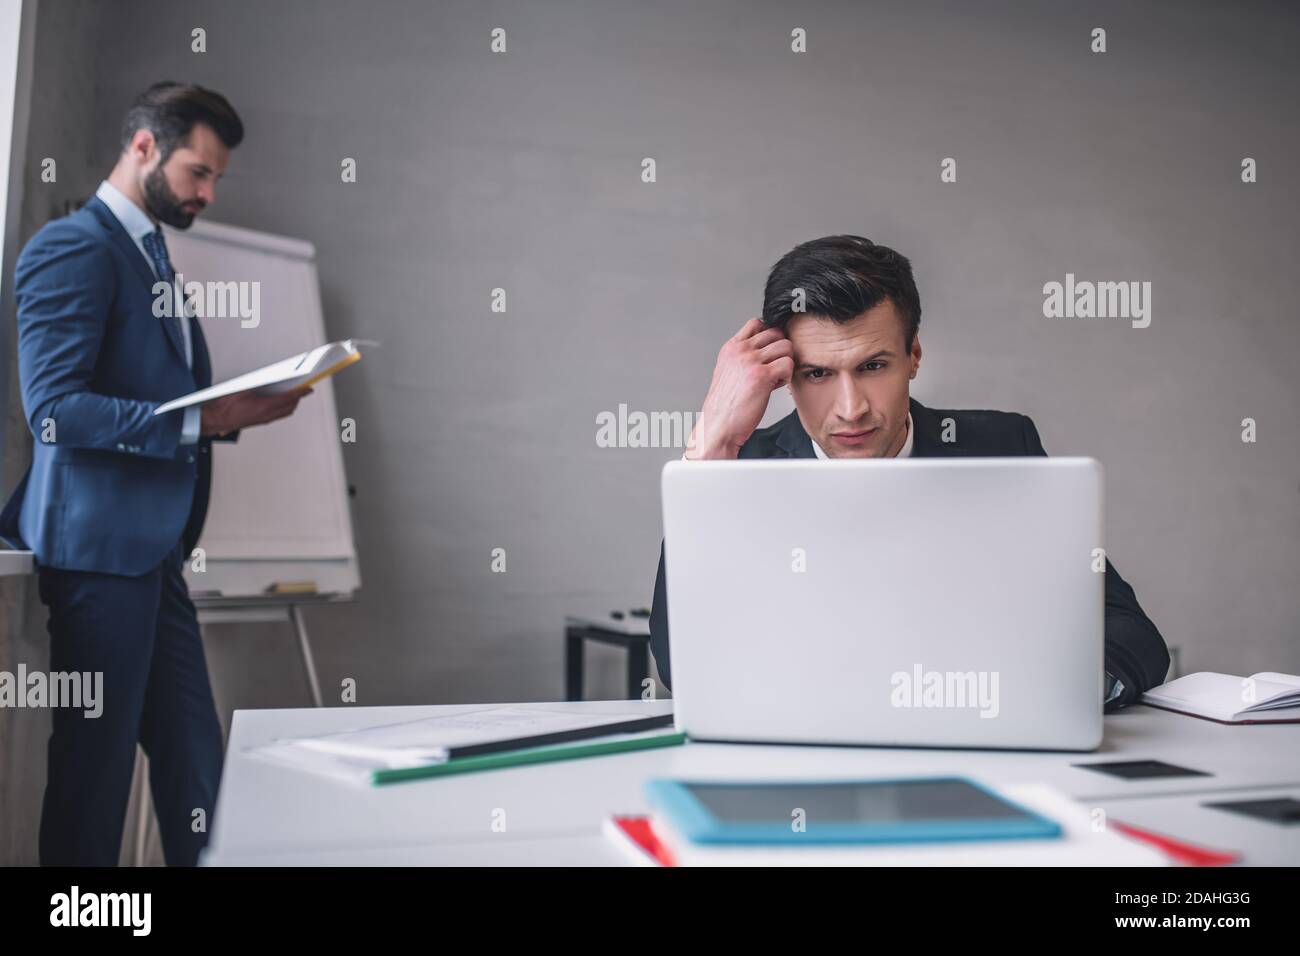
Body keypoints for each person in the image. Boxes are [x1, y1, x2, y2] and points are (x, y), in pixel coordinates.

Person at [649, 235, 1170, 710]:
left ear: (914, 354)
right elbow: (683, 668)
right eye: (818, 374)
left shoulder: (1002, 449)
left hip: (980, 738)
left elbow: (1129, 632)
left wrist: (1054, 694)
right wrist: (711, 444)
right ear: (785, 376)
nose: (850, 409)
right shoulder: (735, 471)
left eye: (873, 367)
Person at [0, 82, 310, 865]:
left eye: (214, 179)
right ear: (143, 146)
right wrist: (203, 419)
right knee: (95, 780)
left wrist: (229, 413)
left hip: (153, 556)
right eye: (198, 173)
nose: (207, 193)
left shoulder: (150, 253)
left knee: (197, 767)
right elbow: (55, 411)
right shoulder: (74, 247)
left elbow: (157, 396)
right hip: (100, 560)